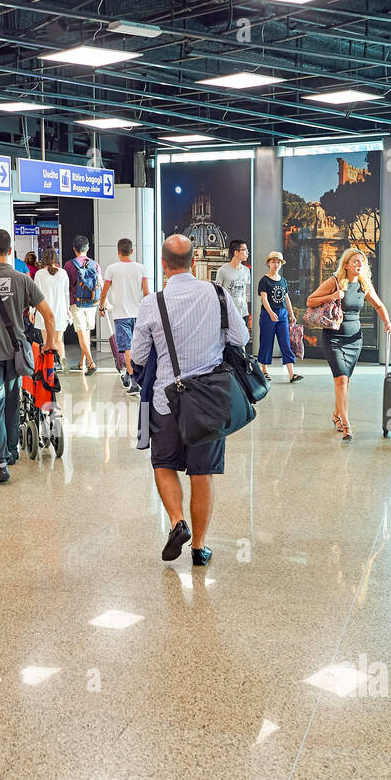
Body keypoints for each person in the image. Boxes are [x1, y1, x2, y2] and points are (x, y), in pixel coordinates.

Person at [129, 234, 248, 567]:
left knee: (164, 465)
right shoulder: (217, 293)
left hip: (166, 402)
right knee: (201, 473)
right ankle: (198, 547)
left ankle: (177, 521)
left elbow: (138, 356)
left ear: (164, 265)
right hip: (209, 403)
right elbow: (241, 338)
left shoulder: (153, 303)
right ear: (194, 261)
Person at [0, 228, 62, 484]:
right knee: (13, 400)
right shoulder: (22, 279)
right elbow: (49, 316)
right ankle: (12, 451)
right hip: (16, 355)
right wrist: (49, 344)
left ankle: (1, 461)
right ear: (9, 251)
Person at [306, 248, 391, 441]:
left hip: (355, 339)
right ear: (346, 265)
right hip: (334, 338)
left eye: (361, 261)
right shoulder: (334, 282)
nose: (359, 264)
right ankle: (346, 425)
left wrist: (387, 323)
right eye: (355, 261)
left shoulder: (364, 285)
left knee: (345, 381)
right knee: (341, 380)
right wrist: (333, 296)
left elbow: (379, 305)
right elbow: (310, 300)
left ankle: (336, 415)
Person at [99, 237, 150, 394]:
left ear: (118, 251)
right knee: (138, 347)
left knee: (127, 348)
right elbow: (146, 293)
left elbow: (104, 291)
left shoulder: (112, 269)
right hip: (139, 314)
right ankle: (130, 377)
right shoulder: (141, 268)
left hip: (121, 315)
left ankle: (134, 383)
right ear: (131, 251)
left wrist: (101, 306)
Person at [256, 251, 301, 385]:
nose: (276, 264)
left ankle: (292, 374)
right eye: (273, 262)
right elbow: (264, 298)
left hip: (282, 315)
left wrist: (291, 314)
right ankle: (264, 371)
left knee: (285, 343)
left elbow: (287, 298)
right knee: (266, 342)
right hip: (268, 315)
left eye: (278, 262)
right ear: (268, 263)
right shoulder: (264, 280)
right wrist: (270, 312)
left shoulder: (283, 280)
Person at [64, 235, 103, 375]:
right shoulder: (94, 264)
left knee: (81, 335)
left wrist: (66, 306)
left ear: (74, 249)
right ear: (88, 248)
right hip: (92, 303)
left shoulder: (69, 265)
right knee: (86, 332)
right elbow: (100, 284)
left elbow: (66, 286)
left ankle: (91, 363)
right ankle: (82, 363)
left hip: (77, 303)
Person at [32, 247, 71, 371]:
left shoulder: (39, 274)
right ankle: (62, 357)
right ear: (55, 258)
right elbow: (66, 293)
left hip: (44, 312)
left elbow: (35, 294)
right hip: (59, 311)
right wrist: (67, 309)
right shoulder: (63, 273)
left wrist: (32, 311)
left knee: (47, 341)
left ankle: (50, 365)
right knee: (58, 340)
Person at [214, 239, 251, 336]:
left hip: (243, 313)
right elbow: (218, 293)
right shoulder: (222, 270)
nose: (247, 252)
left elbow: (248, 292)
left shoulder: (246, 271)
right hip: (229, 313)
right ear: (236, 253)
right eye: (245, 250)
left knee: (243, 339)